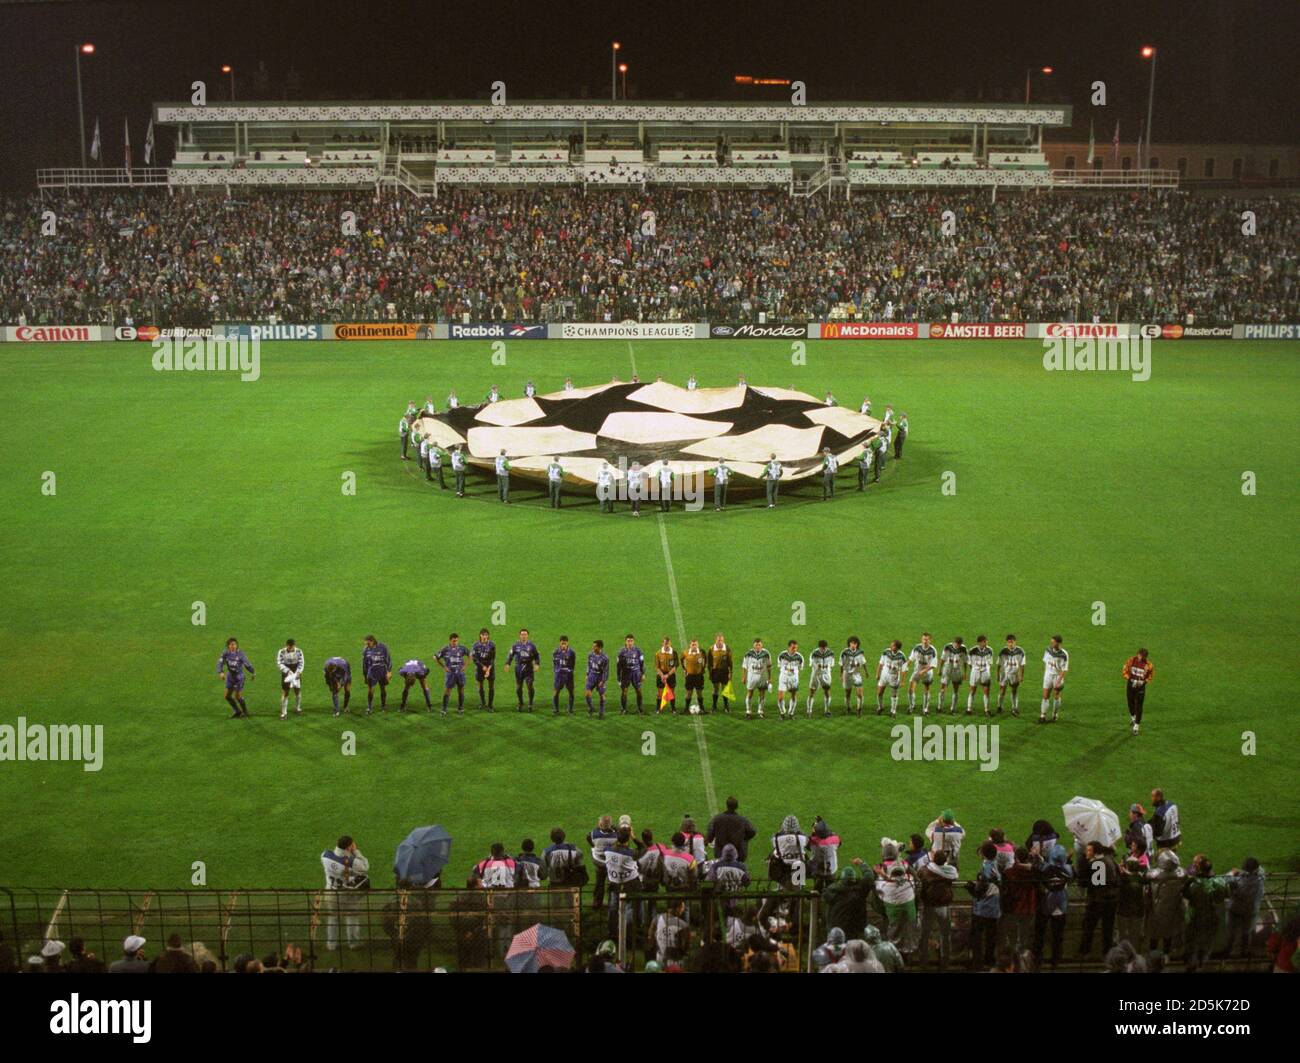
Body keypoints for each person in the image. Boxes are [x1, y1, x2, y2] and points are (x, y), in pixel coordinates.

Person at [321, 836, 370, 951]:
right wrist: (355, 851)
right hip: (347, 895)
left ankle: (331, 944)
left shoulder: (325, 855)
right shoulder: (352, 862)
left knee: (333, 918)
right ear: (349, 846)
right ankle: (353, 943)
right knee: (352, 917)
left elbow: (336, 860)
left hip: (331, 893)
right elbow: (365, 867)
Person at [1182, 854, 1228, 972]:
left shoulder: (1194, 883)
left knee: (1191, 940)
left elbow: (1185, 894)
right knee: (1206, 941)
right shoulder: (1219, 882)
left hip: (1194, 915)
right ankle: (1202, 963)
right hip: (1210, 915)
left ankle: (1190, 963)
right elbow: (1223, 895)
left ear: (1199, 868)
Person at [917, 850, 958, 969]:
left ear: (933, 859)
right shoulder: (951, 871)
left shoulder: (926, 869)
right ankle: (945, 962)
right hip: (943, 906)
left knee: (925, 934)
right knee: (945, 934)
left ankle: (923, 961)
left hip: (929, 906)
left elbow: (920, 874)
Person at [1078, 841, 1119, 958]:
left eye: (1089, 850)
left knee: (1089, 927)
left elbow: (1096, 884)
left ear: (1095, 852)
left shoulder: (1098, 864)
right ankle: (1106, 953)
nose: (1087, 852)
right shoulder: (1109, 859)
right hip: (1110, 900)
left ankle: (1085, 952)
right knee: (1108, 928)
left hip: (1098, 902)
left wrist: (1086, 866)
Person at [968, 841, 1002, 969]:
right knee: (991, 936)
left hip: (983, 907)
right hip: (994, 907)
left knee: (977, 936)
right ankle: (989, 960)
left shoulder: (987, 867)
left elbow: (980, 890)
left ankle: (977, 963)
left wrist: (970, 888)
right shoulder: (995, 863)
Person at [1223, 857, 1265, 958]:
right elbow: (1260, 870)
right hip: (1251, 910)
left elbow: (1225, 879)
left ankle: (1227, 952)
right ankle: (1244, 953)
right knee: (1247, 933)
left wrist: (1231, 873)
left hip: (1235, 909)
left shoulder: (1240, 881)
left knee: (1231, 933)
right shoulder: (1261, 877)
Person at [705, 796, 757, 861]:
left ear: (726, 805)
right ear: (736, 807)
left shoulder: (717, 819)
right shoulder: (742, 820)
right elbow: (752, 831)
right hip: (738, 853)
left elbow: (710, 834)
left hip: (720, 852)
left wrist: (707, 841)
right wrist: (743, 839)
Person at [217, 637, 255, 718]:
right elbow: (220, 662)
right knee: (227, 696)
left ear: (237, 645)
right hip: (230, 677)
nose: (233, 646)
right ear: (228, 646)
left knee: (237, 696)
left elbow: (247, 664)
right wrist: (220, 672)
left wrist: (253, 672)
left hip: (239, 678)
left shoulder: (241, 654)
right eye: (231, 645)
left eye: (234, 644)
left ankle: (245, 712)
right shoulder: (225, 653)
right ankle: (237, 711)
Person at [507, 628, 541, 711]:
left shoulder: (532, 646)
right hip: (519, 668)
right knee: (519, 687)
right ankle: (520, 702)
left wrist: (537, 664)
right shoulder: (515, 645)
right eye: (522, 634)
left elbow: (537, 656)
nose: (523, 636)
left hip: (529, 667)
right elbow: (510, 655)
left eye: (525, 634)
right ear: (519, 635)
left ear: (527, 636)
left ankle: (530, 703)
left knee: (530, 685)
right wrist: (508, 663)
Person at [1122, 648, 1154, 735]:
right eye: (1139, 655)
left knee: (1139, 706)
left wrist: (1144, 682)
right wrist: (1130, 679)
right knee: (1130, 703)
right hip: (1131, 685)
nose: (1139, 657)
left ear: (1145, 657)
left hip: (1140, 687)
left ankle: (1136, 726)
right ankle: (1133, 717)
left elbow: (1150, 676)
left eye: (1141, 656)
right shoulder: (1131, 660)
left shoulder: (1149, 665)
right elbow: (1124, 670)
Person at [907, 632, 938, 715]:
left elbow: (933, 665)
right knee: (910, 688)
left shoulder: (932, 650)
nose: (925, 641)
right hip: (917, 671)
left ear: (930, 640)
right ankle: (911, 706)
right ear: (921, 639)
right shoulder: (917, 648)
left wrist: (924, 671)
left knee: (926, 689)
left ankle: (925, 709)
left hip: (927, 673)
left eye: (927, 640)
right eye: (924, 639)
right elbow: (911, 658)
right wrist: (906, 665)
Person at [1039, 635, 1068, 723]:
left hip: (1057, 676)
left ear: (1058, 643)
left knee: (1056, 696)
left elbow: (1064, 669)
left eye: (1053, 642)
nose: (1051, 643)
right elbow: (1045, 662)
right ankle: (1043, 716)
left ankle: (1055, 714)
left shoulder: (1064, 654)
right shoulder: (1048, 650)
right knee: (1045, 696)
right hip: (1048, 675)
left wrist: (1059, 682)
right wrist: (1045, 674)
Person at [875, 639, 907, 716]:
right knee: (879, 692)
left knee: (893, 694)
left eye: (892, 645)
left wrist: (903, 681)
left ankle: (893, 711)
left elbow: (904, 669)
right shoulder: (886, 652)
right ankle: (880, 707)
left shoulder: (901, 656)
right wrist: (877, 673)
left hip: (894, 677)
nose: (890, 646)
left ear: (897, 648)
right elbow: (881, 663)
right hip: (884, 675)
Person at [361, 634, 392, 714]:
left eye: (368, 643)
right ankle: (369, 707)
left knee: (383, 688)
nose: (367, 645)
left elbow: (388, 660)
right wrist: (365, 675)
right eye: (366, 644)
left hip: (382, 671)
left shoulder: (383, 647)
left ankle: (383, 706)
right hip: (371, 673)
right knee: (371, 690)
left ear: (373, 641)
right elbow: (364, 664)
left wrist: (389, 671)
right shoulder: (365, 650)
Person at [742, 638, 772, 718]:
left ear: (762, 645)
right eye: (756, 645)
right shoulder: (748, 654)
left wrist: (769, 678)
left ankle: (760, 711)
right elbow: (745, 666)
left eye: (759, 645)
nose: (758, 646)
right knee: (750, 693)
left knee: (762, 693)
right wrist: (744, 677)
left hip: (762, 676)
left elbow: (769, 666)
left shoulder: (766, 653)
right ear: (753, 645)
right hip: (751, 676)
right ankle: (748, 711)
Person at [807, 818, 840, 889]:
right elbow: (837, 841)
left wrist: (813, 833)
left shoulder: (813, 840)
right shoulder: (835, 839)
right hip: (831, 869)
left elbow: (808, 847)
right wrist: (821, 825)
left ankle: (816, 899)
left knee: (817, 890)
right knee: (831, 889)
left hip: (817, 871)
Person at [996, 634, 1025, 715]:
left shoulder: (1020, 651)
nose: (1010, 644)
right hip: (1004, 674)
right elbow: (999, 664)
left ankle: (1014, 708)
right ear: (1007, 643)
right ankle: (999, 706)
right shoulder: (1003, 651)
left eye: (1012, 642)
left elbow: (1022, 665)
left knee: (1014, 691)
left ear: (1015, 642)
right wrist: (998, 674)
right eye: (1009, 642)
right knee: (1002, 691)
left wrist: (1021, 676)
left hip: (1014, 674)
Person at [938, 636, 967, 716]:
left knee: (955, 689)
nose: (957, 646)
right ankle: (940, 707)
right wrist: (939, 669)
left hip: (957, 670)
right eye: (956, 644)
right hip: (947, 668)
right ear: (954, 642)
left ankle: (953, 709)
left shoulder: (963, 648)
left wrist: (965, 673)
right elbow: (942, 659)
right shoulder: (947, 647)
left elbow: (965, 661)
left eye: (959, 645)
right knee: (943, 688)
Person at [806, 639, 836, 717]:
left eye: (825, 647)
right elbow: (811, 663)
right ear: (819, 647)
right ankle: (809, 711)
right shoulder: (814, 653)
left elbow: (832, 664)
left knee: (827, 691)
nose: (823, 649)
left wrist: (827, 669)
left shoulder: (830, 653)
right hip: (816, 674)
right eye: (822, 648)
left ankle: (827, 710)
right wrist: (817, 666)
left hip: (826, 674)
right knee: (812, 692)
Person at [616, 634, 645, 713]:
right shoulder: (621, 652)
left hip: (636, 673)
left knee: (639, 690)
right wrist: (619, 677)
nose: (630, 642)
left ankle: (640, 708)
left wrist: (643, 674)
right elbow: (618, 666)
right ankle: (624, 709)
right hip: (626, 674)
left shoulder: (638, 651)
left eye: (631, 641)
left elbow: (642, 663)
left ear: (633, 641)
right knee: (624, 691)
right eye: (628, 641)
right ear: (625, 642)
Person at [776, 640, 804, 720]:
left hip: (793, 679)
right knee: (780, 697)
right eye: (793, 648)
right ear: (789, 647)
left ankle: (791, 713)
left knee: (793, 696)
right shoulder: (782, 655)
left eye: (796, 648)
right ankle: (782, 713)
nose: (795, 649)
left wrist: (795, 677)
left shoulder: (799, 657)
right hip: (783, 677)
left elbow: (800, 668)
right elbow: (779, 666)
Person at [966, 635, 994, 715]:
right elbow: (969, 663)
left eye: (986, 641)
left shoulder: (989, 650)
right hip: (975, 672)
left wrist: (987, 670)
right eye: (984, 641)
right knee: (972, 690)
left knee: (986, 691)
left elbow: (990, 662)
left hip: (985, 671)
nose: (986, 643)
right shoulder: (972, 650)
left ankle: (986, 710)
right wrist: (975, 669)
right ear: (979, 642)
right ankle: (969, 709)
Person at [277, 638, 305, 718]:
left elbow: (301, 662)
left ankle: (298, 708)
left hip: (296, 673)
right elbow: (280, 663)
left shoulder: (299, 651)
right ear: (287, 645)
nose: (291, 648)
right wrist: (288, 671)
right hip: (286, 674)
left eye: (292, 647)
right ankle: (283, 713)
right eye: (290, 647)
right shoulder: (281, 652)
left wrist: (298, 672)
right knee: (285, 692)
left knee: (297, 690)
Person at [839, 636, 867, 715]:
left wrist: (866, 672)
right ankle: (848, 707)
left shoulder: (860, 652)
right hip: (847, 674)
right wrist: (841, 675)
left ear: (857, 644)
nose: (853, 645)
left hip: (857, 674)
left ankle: (859, 709)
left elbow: (863, 662)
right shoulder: (844, 652)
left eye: (855, 643)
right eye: (852, 643)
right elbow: (841, 664)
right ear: (849, 644)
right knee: (848, 693)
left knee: (860, 693)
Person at [471, 628, 496, 710]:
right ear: (480, 635)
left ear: (488, 636)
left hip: (490, 668)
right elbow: (474, 659)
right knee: (480, 686)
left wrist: (488, 669)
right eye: (483, 635)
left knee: (491, 686)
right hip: (479, 668)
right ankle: (483, 703)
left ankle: (490, 705)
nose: (484, 636)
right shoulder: (475, 645)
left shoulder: (492, 644)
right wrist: (482, 667)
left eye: (486, 635)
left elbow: (493, 658)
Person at [708, 633, 733, 712]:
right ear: (716, 640)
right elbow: (709, 663)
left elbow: (730, 662)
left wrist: (730, 672)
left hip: (724, 671)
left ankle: (726, 706)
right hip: (715, 671)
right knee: (715, 689)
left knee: (725, 689)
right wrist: (710, 673)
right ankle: (714, 705)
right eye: (718, 640)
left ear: (723, 640)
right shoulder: (711, 649)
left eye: (721, 640)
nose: (720, 642)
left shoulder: (727, 649)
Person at [552, 635, 577, 714]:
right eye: (562, 643)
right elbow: (555, 664)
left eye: (565, 643)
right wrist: (557, 671)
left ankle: (570, 709)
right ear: (560, 643)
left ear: (567, 643)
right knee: (556, 692)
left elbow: (573, 664)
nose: (563, 645)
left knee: (571, 692)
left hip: (568, 675)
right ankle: (556, 709)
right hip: (559, 675)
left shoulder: (572, 652)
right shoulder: (555, 652)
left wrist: (569, 671)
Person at [585, 639, 610, 717]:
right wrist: (587, 674)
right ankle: (591, 708)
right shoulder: (590, 654)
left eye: (595, 646)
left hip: (600, 677)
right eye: (593, 646)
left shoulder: (605, 658)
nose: (593, 647)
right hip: (592, 675)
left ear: (599, 647)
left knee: (602, 695)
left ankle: (601, 712)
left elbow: (606, 671)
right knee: (587, 694)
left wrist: (603, 681)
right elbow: (588, 665)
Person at [654, 636, 679, 713]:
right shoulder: (658, 653)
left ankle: (673, 708)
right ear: (662, 644)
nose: (666, 645)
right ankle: (658, 709)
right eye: (665, 643)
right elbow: (657, 667)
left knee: (671, 692)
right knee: (659, 693)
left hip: (670, 675)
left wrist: (667, 675)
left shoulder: (674, 653)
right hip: (661, 675)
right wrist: (662, 675)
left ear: (670, 644)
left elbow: (675, 667)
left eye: (668, 644)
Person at [681, 638, 705, 713]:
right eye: (692, 644)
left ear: (698, 645)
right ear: (690, 645)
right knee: (689, 692)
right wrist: (684, 669)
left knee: (699, 692)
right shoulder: (685, 653)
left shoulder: (701, 652)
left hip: (699, 676)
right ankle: (686, 709)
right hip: (690, 676)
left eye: (695, 644)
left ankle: (702, 708)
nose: (694, 646)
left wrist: (703, 668)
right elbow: (681, 660)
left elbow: (706, 659)